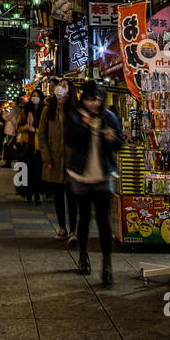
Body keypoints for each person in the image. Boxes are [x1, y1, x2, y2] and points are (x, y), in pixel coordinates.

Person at [66, 80, 124, 284]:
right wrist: (84, 126)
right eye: (90, 99)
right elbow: (70, 140)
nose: (93, 103)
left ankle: (107, 264)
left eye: (97, 99)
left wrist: (111, 139)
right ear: (84, 99)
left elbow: (120, 142)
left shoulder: (110, 117)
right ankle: (83, 257)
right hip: (81, 175)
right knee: (84, 218)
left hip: (103, 175)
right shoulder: (75, 116)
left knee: (103, 220)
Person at [38, 78, 79, 240]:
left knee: (72, 196)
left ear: (70, 91)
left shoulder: (75, 110)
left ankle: (73, 230)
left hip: (71, 160)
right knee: (58, 196)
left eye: (64, 86)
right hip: (54, 159)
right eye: (58, 86)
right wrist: (46, 158)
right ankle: (62, 227)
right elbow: (41, 135)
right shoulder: (49, 109)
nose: (59, 89)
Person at [14, 86, 44, 202]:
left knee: (38, 171)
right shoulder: (25, 109)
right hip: (26, 144)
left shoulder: (44, 110)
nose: (35, 98)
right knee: (26, 170)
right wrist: (26, 127)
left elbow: (45, 129)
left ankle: (37, 193)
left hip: (39, 145)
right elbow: (18, 126)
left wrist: (35, 130)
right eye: (33, 96)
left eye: (37, 96)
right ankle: (28, 193)